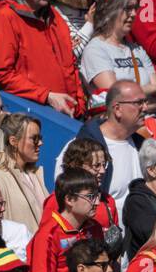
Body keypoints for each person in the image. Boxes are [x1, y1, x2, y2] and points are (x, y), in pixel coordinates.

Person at [0, 0, 86, 117]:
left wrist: (79, 105)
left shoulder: (54, 16)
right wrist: (47, 96)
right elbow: (3, 75)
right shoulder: (6, 18)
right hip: (36, 115)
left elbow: (71, 65)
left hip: (70, 115)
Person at [59, 81, 147, 217]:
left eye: (145, 102)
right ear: (117, 109)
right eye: (139, 103)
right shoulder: (80, 146)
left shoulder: (143, 146)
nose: (145, 107)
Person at [79, 0, 156, 113]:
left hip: (148, 123)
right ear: (110, 10)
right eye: (128, 8)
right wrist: (150, 89)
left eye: (135, 8)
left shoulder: (137, 50)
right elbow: (115, 98)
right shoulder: (95, 50)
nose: (134, 14)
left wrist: (133, 102)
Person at [30, 168, 105, 272]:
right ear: (69, 199)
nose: (97, 203)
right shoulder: (48, 235)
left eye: (97, 195)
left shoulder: (95, 228)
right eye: (90, 197)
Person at [0, 114, 49, 237]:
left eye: (40, 138)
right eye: (34, 139)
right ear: (14, 141)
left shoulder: (34, 174)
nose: (40, 143)